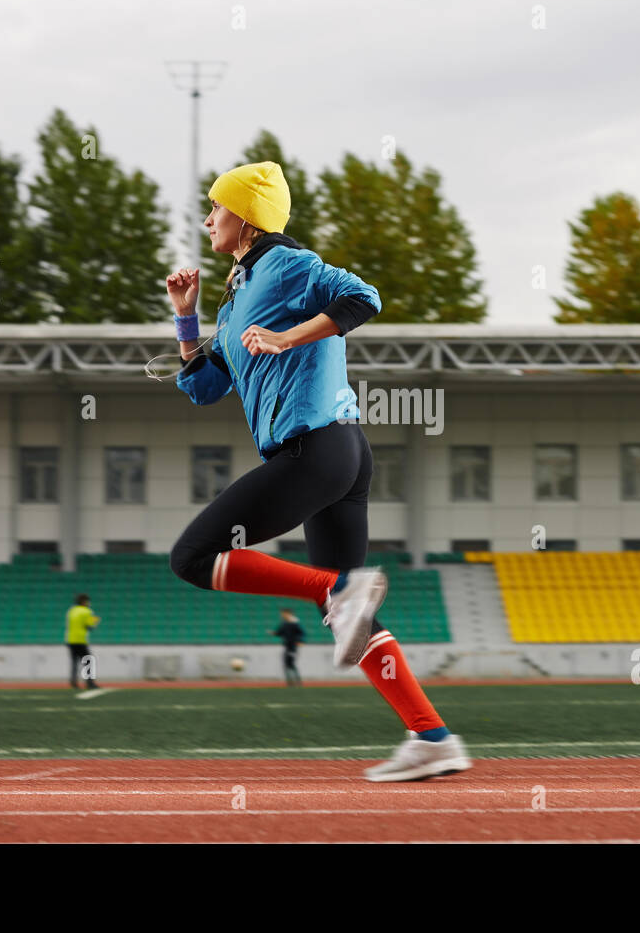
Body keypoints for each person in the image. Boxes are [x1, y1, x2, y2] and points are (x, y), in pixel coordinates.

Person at [167, 161, 470, 782]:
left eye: (215, 208)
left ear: (246, 217)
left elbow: (365, 298)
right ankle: (433, 737)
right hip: (338, 457)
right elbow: (200, 387)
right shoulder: (238, 296)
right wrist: (185, 316)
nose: (207, 219)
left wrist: (286, 340)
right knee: (352, 616)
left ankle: (332, 591)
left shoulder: (287, 263)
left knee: (192, 558)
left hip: (317, 450)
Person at [65, 593, 100, 690]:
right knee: (88, 660)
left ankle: (73, 681)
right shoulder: (86, 611)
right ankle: (90, 683)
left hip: (70, 639)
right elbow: (89, 626)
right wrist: (95, 621)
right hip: (80, 639)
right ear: (84, 602)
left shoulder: (71, 611)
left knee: (74, 661)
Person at [270, 608, 306, 687]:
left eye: (283, 614)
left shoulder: (294, 623)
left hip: (292, 647)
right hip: (287, 646)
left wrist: (301, 641)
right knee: (287, 664)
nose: (282, 615)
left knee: (291, 664)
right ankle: (290, 682)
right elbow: (280, 632)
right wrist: (275, 633)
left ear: (289, 614)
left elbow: (302, 633)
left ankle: (296, 682)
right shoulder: (284, 623)